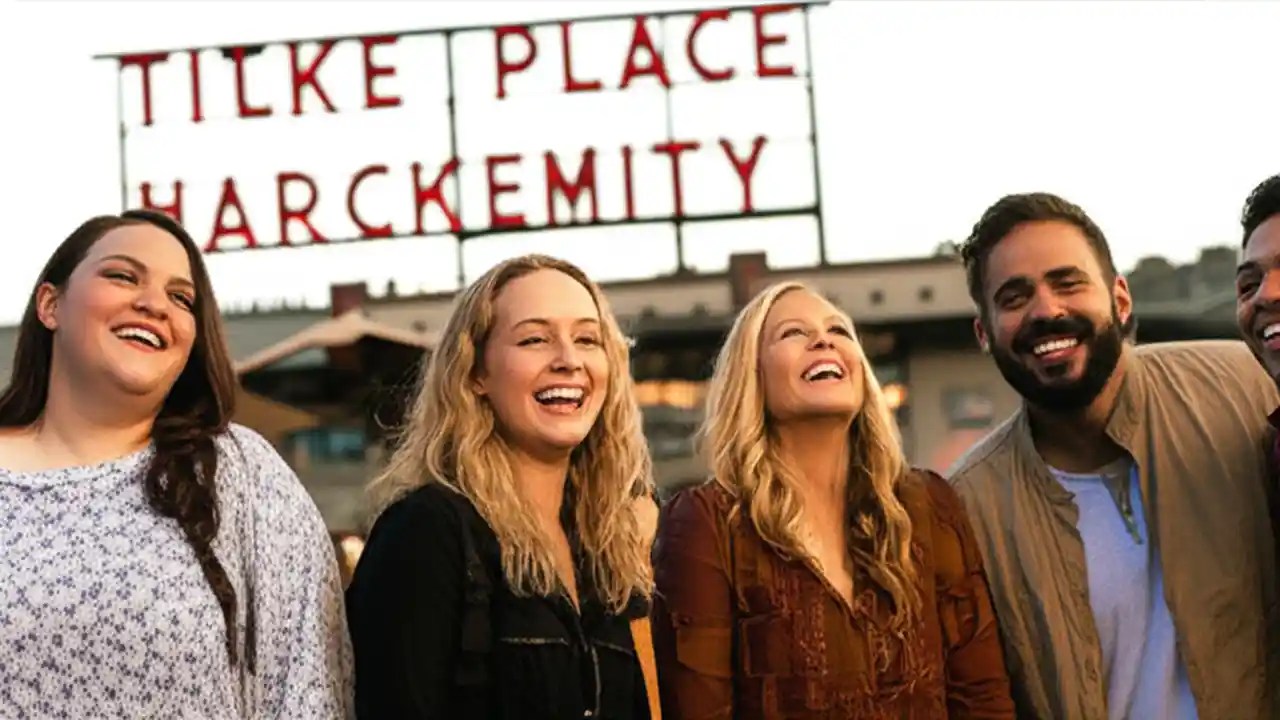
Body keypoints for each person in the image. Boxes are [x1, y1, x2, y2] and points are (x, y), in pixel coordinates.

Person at [0, 210, 353, 718]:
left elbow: (307, 690)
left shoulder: (242, 475)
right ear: (50, 304)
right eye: (122, 275)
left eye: (181, 298)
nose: (153, 304)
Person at [948, 192, 1280, 720]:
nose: (1046, 310)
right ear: (984, 333)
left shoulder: (1243, 387)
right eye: (1014, 297)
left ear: (1120, 299)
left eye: (1067, 282)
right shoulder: (969, 507)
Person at [651, 280, 1014, 719]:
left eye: (839, 330)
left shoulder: (928, 507)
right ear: (752, 376)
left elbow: (983, 700)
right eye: (793, 333)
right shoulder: (705, 524)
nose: (823, 339)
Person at [345, 254, 660, 719]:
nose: (569, 360)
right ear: (475, 374)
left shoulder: (611, 547)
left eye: (587, 339)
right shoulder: (426, 531)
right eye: (534, 339)